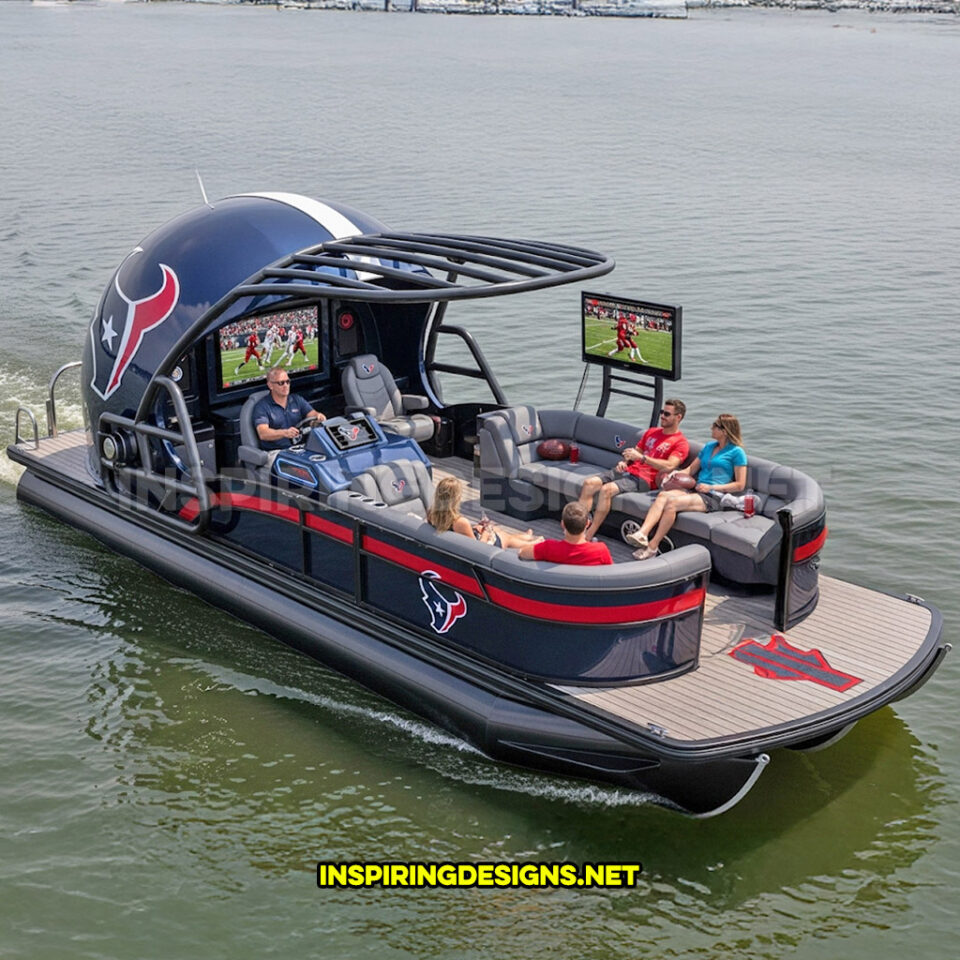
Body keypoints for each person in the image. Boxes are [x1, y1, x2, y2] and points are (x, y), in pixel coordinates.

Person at [628, 413, 747, 560]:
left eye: (715, 426)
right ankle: (642, 534)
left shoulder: (737, 453)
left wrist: (712, 488)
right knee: (663, 496)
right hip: (695, 489)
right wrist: (673, 475)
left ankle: (652, 546)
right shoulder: (709, 447)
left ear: (724, 431)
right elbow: (691, 469)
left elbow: (740, 485)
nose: (711, 428)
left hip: (713, 496)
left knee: (672, 504)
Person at [578, 398, 689, 541]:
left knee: (607, 490)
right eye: (662, 412)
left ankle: (588, 535)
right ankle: (578, 529)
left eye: (667, 414)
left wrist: (643, 458)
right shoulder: (652, 432)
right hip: (628, 471)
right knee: (589, 483)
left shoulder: (680, 442)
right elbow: (634, 453)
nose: (662, 416)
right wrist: (625, 462)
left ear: (678, 417)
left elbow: (669, 465)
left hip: (645, 479)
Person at [427, 477, 541, 550]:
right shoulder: (460, 522)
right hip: (479, 548)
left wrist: (477, 528)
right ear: (456, 498)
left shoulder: (431, 513)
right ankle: (535, 543)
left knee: (498, 531)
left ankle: (526, 537)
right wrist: (486, 532)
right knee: (505, 538)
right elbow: (477, 549)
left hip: (459, 543)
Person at [253, 368, 326, 453]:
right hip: (276, 452)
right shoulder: (262, 407)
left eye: (288, 382)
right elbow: (263, 433)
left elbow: (312, 414)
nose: (286, 385)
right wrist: (284, 433)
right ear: (270, 385)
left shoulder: (297, 400)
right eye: (281, 383)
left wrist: (318, 416)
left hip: (300, 448)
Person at [518, 501, 613, 566]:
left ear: (562, 524)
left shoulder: (548, 548)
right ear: (587, 524)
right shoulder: (601, 551)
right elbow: (610, 573)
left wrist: (534, 543)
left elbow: (522, 553)